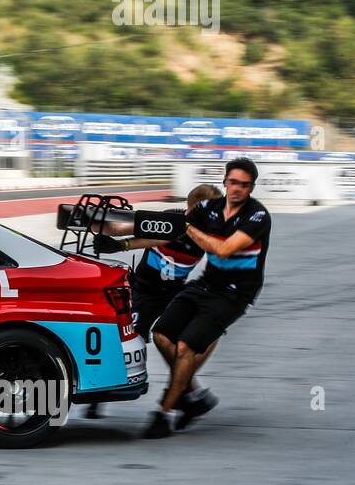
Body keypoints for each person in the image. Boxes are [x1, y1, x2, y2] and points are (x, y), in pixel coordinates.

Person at [144, 158, 271, 438]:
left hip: (235, 293)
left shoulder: (257, 216)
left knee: (186, 347)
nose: (238, 189)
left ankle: (164, 412)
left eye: (245, 185)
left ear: (252, 187)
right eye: (233, 182)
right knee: (162, 335)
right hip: (207, 284)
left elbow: (223, 249)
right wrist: (118, 236)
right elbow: (167, 227)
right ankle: (192, 397)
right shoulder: (207, 208)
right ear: (225, 181)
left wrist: (187, 226)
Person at [88, 183, 222, 419]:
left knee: (196, 338)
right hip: (145, 291)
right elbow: (133, 231)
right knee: (129, 341)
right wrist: (99, 227)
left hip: (175, 293)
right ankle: (99, 396)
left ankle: (184, 391)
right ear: (189, 209)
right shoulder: (170, 219)